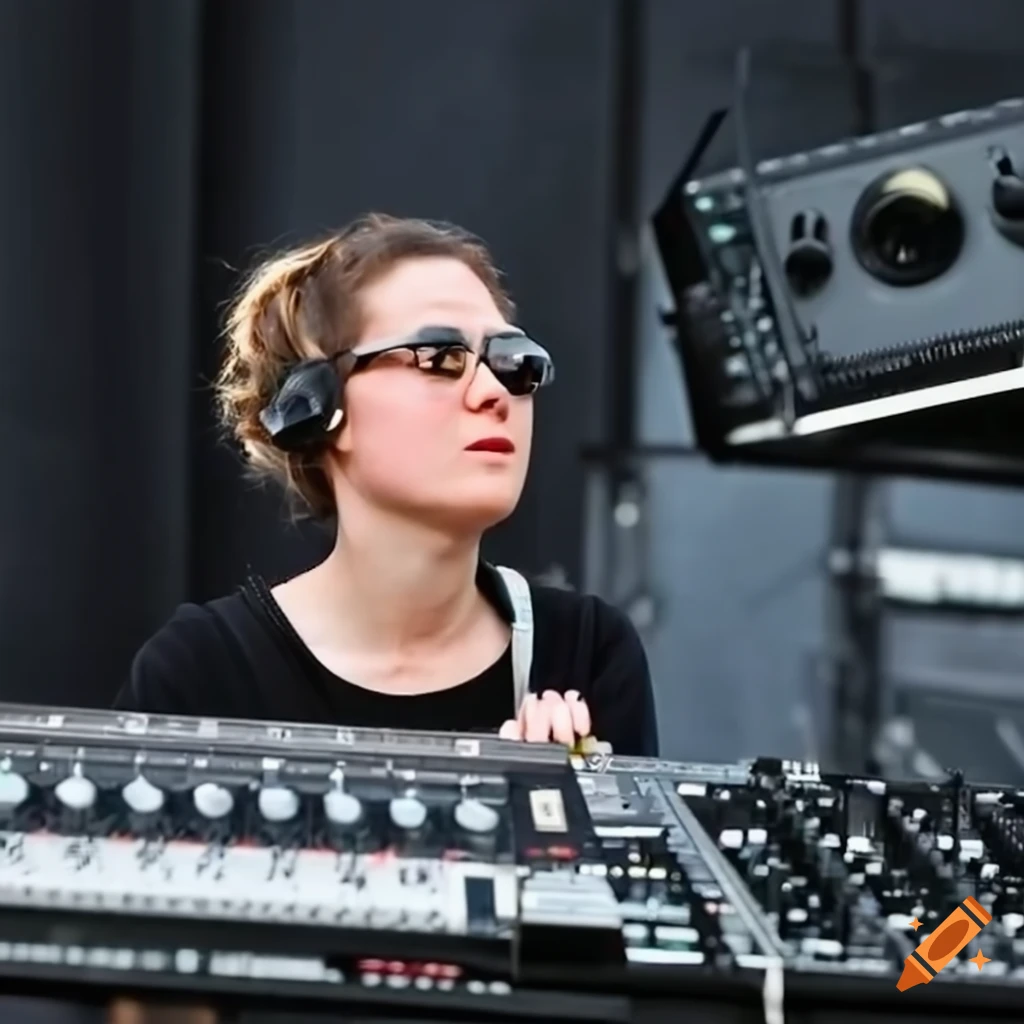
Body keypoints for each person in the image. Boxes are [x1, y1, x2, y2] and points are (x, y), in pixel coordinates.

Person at [115, 214, 658, 755]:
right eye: (440, 358)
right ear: (317, 405)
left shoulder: (586, 656)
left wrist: (562, 815)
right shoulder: (200, 676)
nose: (495, 392)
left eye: (515, 363)